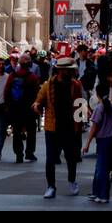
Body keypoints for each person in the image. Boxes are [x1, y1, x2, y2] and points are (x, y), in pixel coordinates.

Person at [35, 57, 83, 199]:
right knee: (51, 158)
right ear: (60, 70)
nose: (68, 72)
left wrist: (80, 125)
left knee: (71, 157)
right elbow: (39, 100)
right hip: (52, 126)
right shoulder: (48, 85)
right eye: (66, 70)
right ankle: (51, 186)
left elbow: (79, 103)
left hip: (69, 126)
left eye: (70, 70)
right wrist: (37, 106)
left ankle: (72, 181)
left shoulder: (75, 85)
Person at [83, 78, 112, 204]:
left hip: (103, 140)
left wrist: (87, 144)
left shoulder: (100, 108)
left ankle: (103, 194)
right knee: (101, 167)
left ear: (97, 94)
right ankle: (97, 191)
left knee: (101, 168)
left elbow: (94, 127)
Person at [7, 60, 40, 163]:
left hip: (16, 108)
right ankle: (29, 153)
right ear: (29, 64)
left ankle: (19, 154)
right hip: (29, 109)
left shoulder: (12, 75)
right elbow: (37, 93)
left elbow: (7, 91)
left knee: (16, 131)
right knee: (31, 131)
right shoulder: (33, 77)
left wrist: (8, 106)